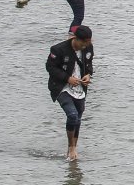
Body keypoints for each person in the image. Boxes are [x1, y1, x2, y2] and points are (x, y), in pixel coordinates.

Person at [46, 24, 94, 162]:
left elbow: (89, 65)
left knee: (78, 117)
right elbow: (50, 67)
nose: (84, 46)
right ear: (76, 39)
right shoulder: (58, 49)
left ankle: (72, 149)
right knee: (72, 115)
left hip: (79, 88)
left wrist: (88, 75)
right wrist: (67, 78)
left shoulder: (88, 47)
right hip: (61, 87)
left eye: (87, 43)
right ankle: (71, 147)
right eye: (82, 43)